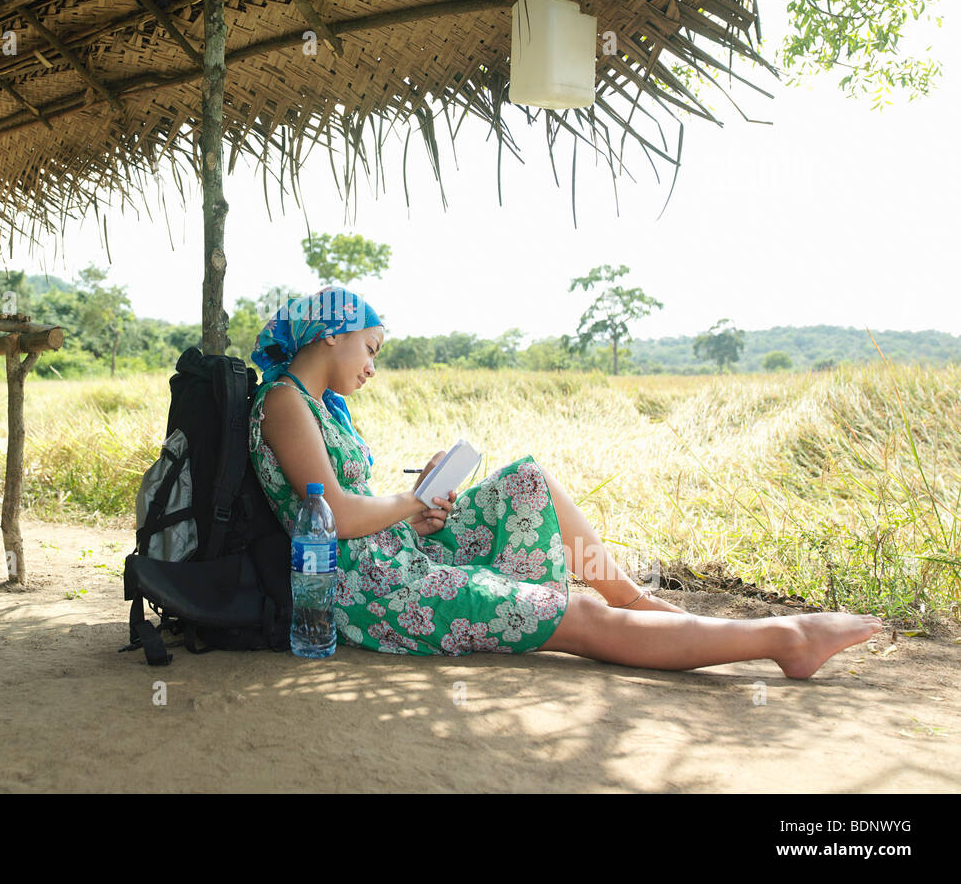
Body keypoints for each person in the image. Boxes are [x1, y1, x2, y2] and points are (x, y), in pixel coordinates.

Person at [248, 286, 882, 678]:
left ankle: (638, 602)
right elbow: (326, 512)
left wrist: (413, 515)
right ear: (332, 332)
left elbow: (352, 509)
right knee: (577, 613)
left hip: (394, 551)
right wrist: (409, 499)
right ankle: (784, 639)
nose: (373, 367)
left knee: (529, 481)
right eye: (372, 348)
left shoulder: (319, 404)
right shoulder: (285, 402)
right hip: (370, 591)